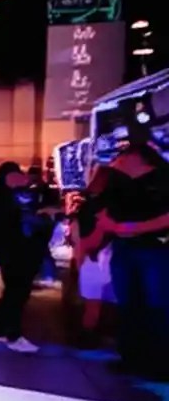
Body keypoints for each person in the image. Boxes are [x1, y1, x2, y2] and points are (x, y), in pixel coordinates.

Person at [95, 128, 169, 379]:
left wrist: (131, 228)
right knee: (128, 304)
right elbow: (100, 206)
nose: (117, 161)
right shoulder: (116, 182)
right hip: (124, 248)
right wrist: (111, 226)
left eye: (122, 156)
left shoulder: (163, 179)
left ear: (136, 157)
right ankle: (131, 357)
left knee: (156, 305)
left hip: (155, 248)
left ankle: (159, 363)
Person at [0, 162, 51, 353]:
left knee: (14, 291)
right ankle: (13, 334)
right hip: (11, 251)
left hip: (21, 250)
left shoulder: (21, 195)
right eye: (13, 175)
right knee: (16, 292)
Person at [72, 165, 114, 346]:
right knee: (100, 302)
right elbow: (91, 239)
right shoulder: (106, 206)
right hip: (101, 256)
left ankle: (88, 336)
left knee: (93, 302)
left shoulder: (87, 205)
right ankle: (91, 336)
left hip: (92, 258)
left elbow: (81, 238)